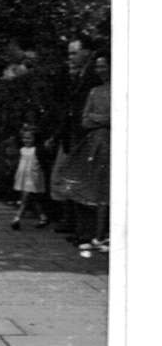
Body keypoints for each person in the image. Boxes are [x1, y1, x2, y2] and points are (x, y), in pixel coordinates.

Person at [55, 54, 110, 253]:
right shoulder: (94, 91)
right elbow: (85, 120)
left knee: (105, 189)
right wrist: (104, 118)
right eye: (98, 67)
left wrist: (98, 118)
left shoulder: (119, 89)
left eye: (104, 66)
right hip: (95, 143)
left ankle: (101, 234)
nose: (100, 70)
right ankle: (90, 232)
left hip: (108, 143)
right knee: (89, 186)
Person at [10, 125, 49, 230]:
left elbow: (43, 164)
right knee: (32, 199)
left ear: (35, 138)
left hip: (33, 177)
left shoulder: (37, 150)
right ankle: (43, 217)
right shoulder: (22, 150)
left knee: (25, 198)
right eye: (24, 138)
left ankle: (17, 218)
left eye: (29, 138)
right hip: (23, 177)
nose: (26, 140)